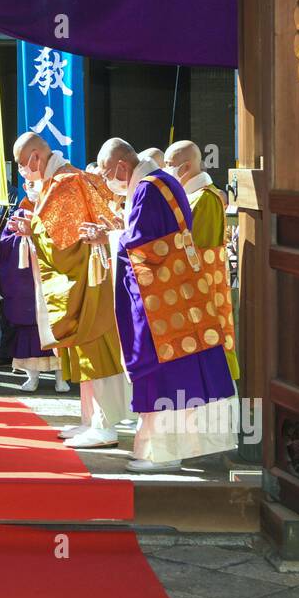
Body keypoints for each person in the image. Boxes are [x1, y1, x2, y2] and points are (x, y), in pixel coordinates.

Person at [95, 138, 236, 472]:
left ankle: (164, 452)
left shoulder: (148, 188)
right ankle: (160, 448)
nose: (105, 181)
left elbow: (144, 247)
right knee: (179, 373)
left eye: (105, 173)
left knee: (163, 374)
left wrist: (109, 237)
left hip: (160, 306)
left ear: (120, 167)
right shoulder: (165, 181)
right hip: (176, 298)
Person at [8, 132, 129, 448]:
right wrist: (32, 227)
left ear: (36, 157)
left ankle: (105, 426)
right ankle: (90, 421)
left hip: (89, 282)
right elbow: (55, 232)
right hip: (85, 278)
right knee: (83, 353)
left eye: (23, 164)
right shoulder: (58, 180)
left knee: (95, 350)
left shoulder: (65, 183)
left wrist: (33, 228)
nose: (22, 171)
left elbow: (62, 244)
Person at [165, 139, 239, 381]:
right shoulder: (189, 196)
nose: (165, 169)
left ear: (185, 168)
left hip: (201, 288)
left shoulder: (205, 199)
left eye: (169, 164)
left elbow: (199, 254)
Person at [0, 198, 64, 392]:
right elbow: (6, 241)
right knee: (30, 327)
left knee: (58, 323)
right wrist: (21, 235)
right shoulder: (20, 212)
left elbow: (64, 239)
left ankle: (62, 377)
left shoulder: (55, 207)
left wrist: (38, 233)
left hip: (51, 275)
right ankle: (32, 376)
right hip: (27, 281)